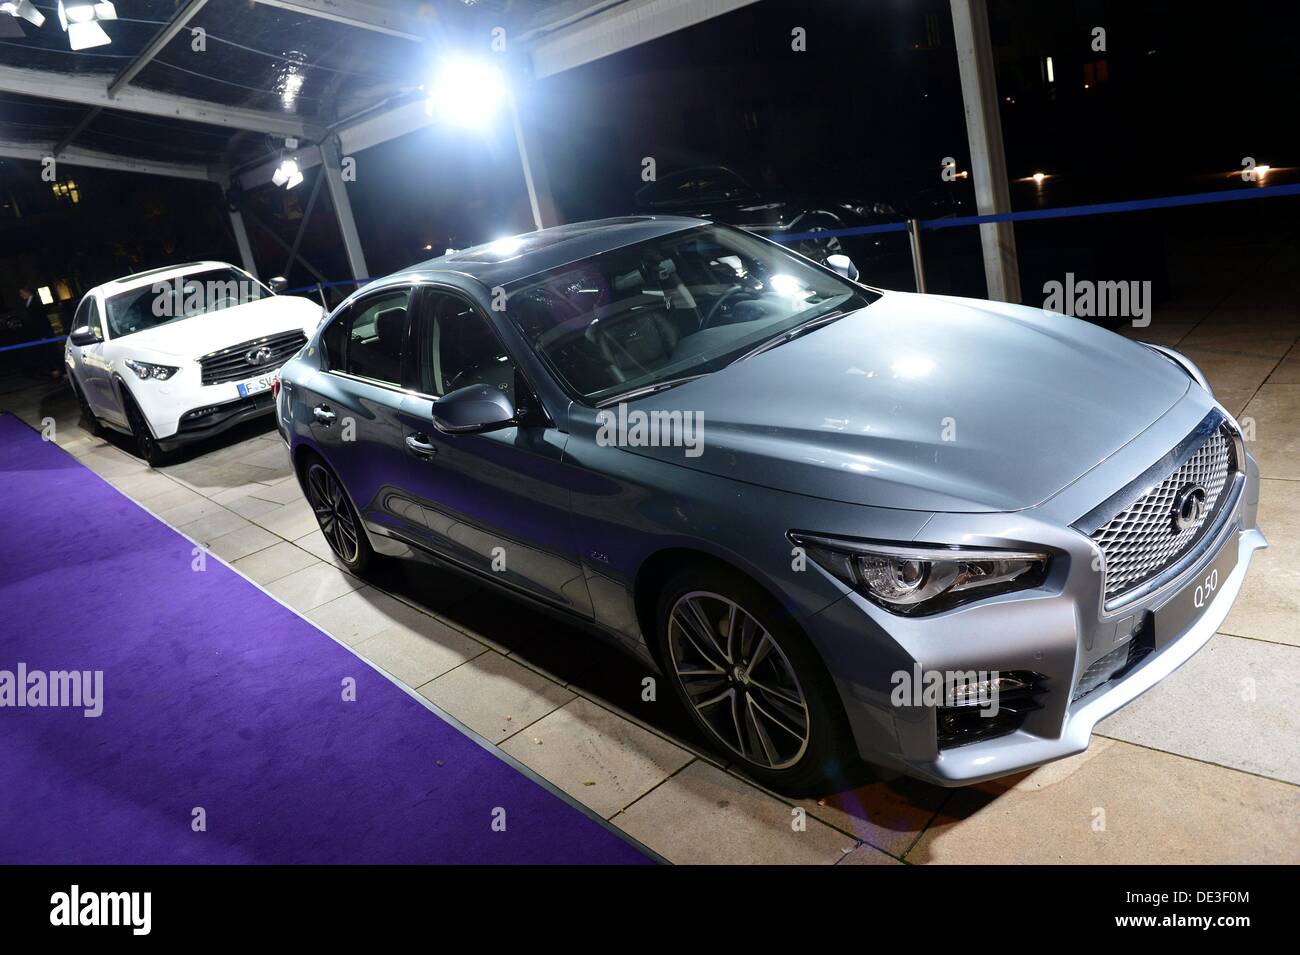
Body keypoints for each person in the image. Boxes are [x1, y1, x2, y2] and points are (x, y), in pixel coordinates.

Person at [18, 286, 62, 380]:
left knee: (50, 351)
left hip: (44, 332)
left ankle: (58, 370)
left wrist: (43, 334)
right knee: (47, 351)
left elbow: (40, 320)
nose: (21, 295)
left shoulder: (35, 302)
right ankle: (55, 370)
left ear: (27, 292)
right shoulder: (29, 302)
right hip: (40, 332)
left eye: (22, 293)